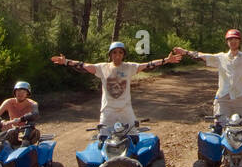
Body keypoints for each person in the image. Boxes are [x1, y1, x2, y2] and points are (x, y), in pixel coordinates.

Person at [51, 42, 182, 134]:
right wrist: (66, 61)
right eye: (114, 52)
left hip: (126, 110)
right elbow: (82, 66)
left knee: (133, 138)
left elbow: (148, 65)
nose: (117, 55)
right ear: (110, 54)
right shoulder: (102, 68)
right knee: (103, 139)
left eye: (120, 52)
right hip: (108, 111)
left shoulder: (129, 67)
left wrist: (166, 60)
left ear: (123, 54)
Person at [0, 81, 41, 147]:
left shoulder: (33, 104)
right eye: (18, 91)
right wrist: (1, 122)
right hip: (11, 129)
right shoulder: (9, 102)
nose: (20, 94)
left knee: (31, 123)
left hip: (26, 130)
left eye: (23, 92)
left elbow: (35, 114)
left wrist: (19, 119)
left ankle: (24, 144)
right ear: (15, 92)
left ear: (27, 94)